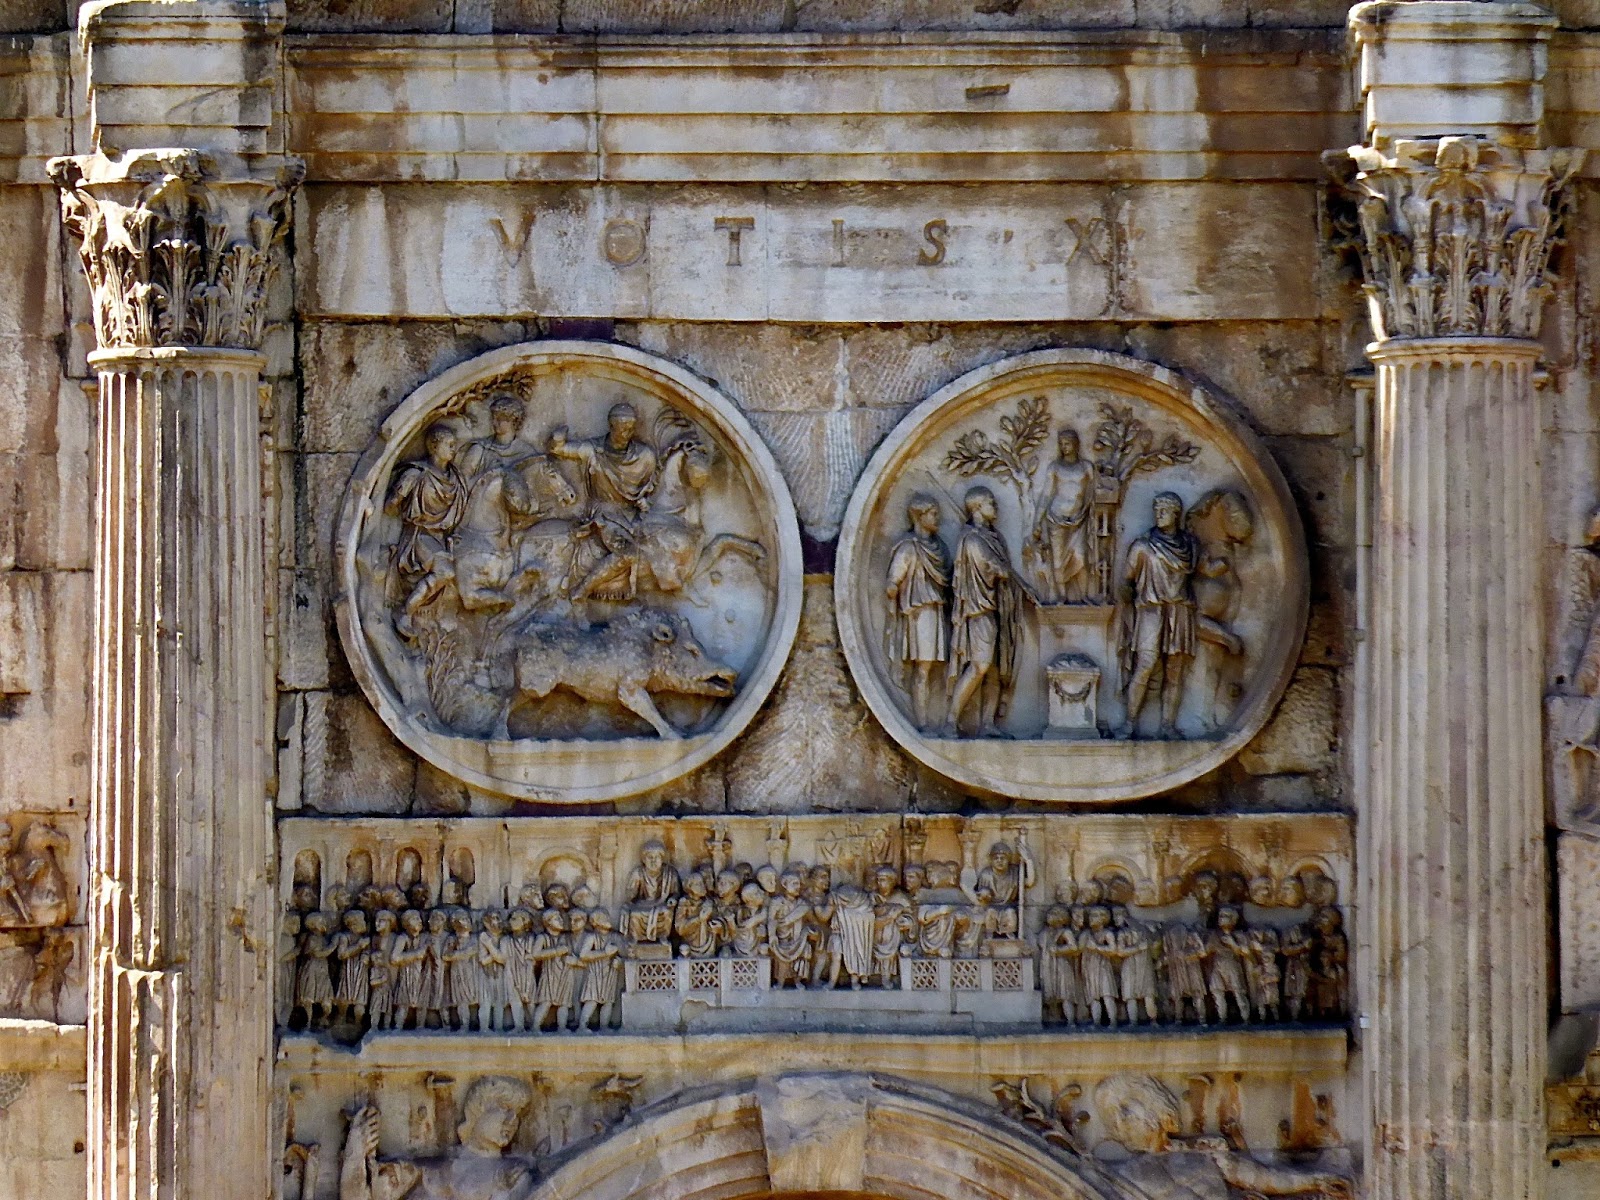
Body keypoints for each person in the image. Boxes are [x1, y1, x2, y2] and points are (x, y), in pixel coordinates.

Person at [337, 1076, 536, 1200]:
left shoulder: (514, 1175)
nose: (512, 1120)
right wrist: (355, 1153)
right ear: (477, 1110)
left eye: (517, 1114)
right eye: (503, 1109)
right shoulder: (425, 1171)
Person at [548, 402, 660, 602]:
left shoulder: (645, 456)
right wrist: (558, 439)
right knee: (629, 554)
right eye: (622, 428)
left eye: (631, 428)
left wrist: (643, 502)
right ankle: (582, 589)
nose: (627, 433)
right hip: (603, 515)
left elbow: (648, 490)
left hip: (632, 516)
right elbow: (562, 449)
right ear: (611, 426)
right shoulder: (594, 450)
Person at [944, 486, 1025, 737]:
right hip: (978, 611)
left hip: (997, 610)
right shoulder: (972, 540)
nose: (995, 506)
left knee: (994, 669)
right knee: (980, 665)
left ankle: (989, 724)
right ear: (977, 508)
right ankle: (950, 720)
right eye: (990, 502)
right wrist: (1004, 572)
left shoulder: (993, 536)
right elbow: (994, 567)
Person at [1118, 492, 1200, 738]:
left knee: (1175, 670)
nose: (1158, 515)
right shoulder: (1142, 546)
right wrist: (1128, 608)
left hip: (1180, 610)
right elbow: (1126, 580)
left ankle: (1167, 725)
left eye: (1164, 510)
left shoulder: (1190, 546)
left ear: (1176, 513)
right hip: (1150, 610)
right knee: (1145, 665)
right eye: (1156, 510)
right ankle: (1129, 722)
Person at [386, 422, 467, 639]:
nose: (454, 448)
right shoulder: (417, 474)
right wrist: (400, 493)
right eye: (448, 444)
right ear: (433, 447)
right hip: (418, 536)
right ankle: (405, 610)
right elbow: (390, 506)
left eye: (454, 444)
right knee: (446, 572)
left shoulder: (455, 480)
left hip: (441, 538)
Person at [885, 494, 952, 729]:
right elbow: (892, 584)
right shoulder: (908, 548)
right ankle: (922, 722)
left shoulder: (940, 547)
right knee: (923, 668)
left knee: (935, 667)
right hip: (920, 613)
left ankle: (939, 719)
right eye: (934, 514)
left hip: (938, 611)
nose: (938, 519)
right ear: (920, 516)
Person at [1032, 428, 1096, 602]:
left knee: (1081, 558)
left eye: (1067, 443)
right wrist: (1037, 522)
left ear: (1076, 444)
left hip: (1079, 519)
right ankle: (1061, 597)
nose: (1064, 447)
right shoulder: (1055, 467)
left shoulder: (1086, 466)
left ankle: (1083, 597)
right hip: (1056, 518)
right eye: (1061, 444)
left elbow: (1095, 490)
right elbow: (1046, 495)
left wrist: (1088, 511)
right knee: (1058, 560)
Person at [621, 841, 681, 946]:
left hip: (662, 904)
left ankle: (663, 937)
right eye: (650, 857)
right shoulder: (638, 873)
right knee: (635, 914)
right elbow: (631, 894)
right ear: (644, 860)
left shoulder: (670, 873)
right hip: (643, 904)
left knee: (667, 912)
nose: (653, 861)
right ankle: (635, 939)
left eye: (657, 857)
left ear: (662, 859)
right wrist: (631, 895)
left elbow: (676, 892)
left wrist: (673, 899)